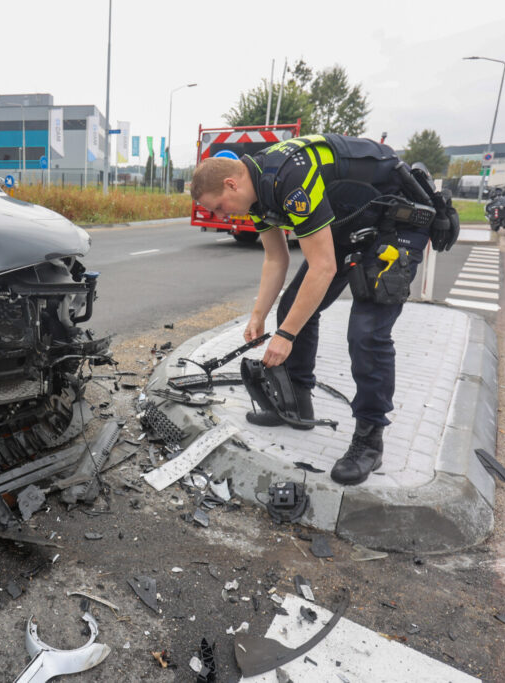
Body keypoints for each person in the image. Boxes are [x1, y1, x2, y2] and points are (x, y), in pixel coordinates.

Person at [191, 134, 457, 485]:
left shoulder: (289, 179)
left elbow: (323, 268)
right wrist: (259, 315)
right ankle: (297, 404)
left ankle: (369, 440)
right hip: (352, 221)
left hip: (398, 220)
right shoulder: (257, 194)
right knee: (292, 306)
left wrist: (285, 335)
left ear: (230, 183)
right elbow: (275, 258)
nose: (222, 215)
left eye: (219, 207)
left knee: (367, 332)